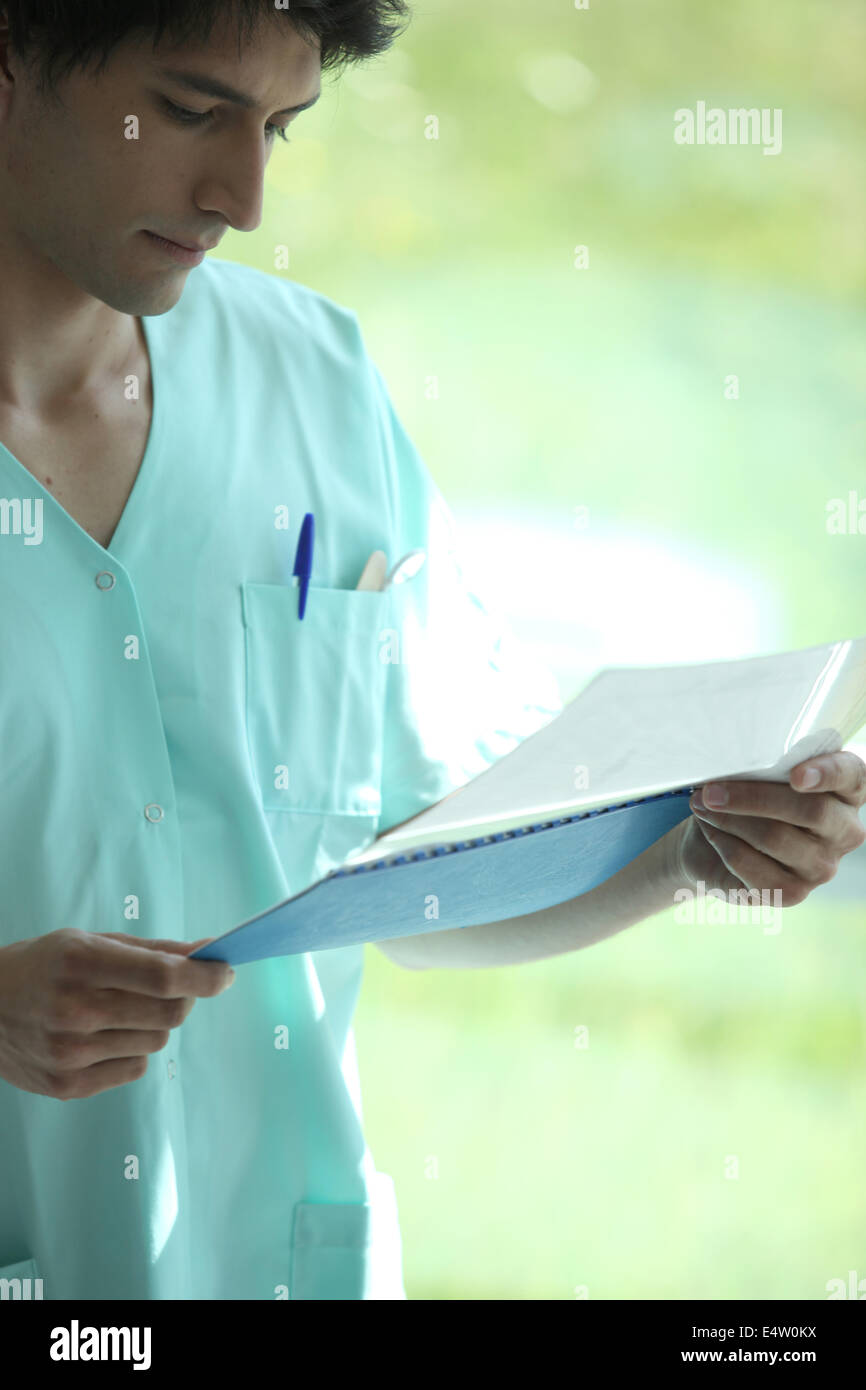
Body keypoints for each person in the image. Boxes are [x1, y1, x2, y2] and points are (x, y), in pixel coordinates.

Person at [1, 0, 864, 1302]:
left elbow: (425, 876)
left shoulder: (314, 383)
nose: (241, 193)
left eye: (280, 127)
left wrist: (692, 848)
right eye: (189, 111)